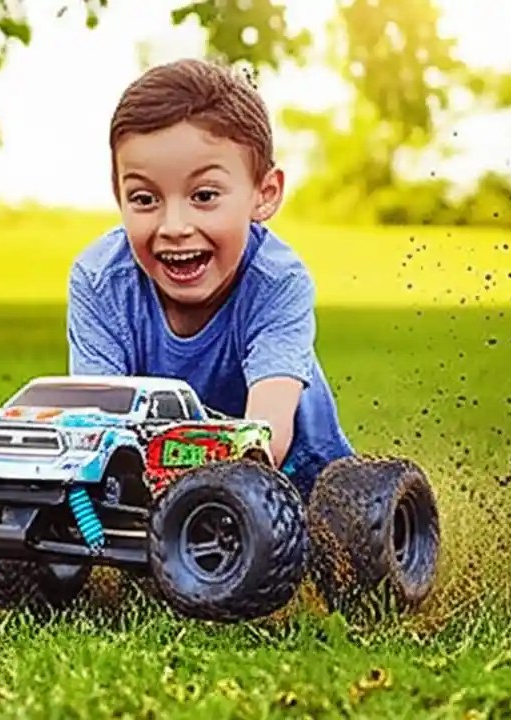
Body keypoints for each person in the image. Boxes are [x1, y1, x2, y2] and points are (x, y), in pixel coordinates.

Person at [65, 58, 354, 497]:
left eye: (204, 196)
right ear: (118, 195)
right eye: (144, 198)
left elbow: (266, 438)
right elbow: (93, 424)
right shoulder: (100, 281)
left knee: (336, 526)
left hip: (295, 473)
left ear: (264, 194)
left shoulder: (277, 283)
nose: (175, 225)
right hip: (149, 472)